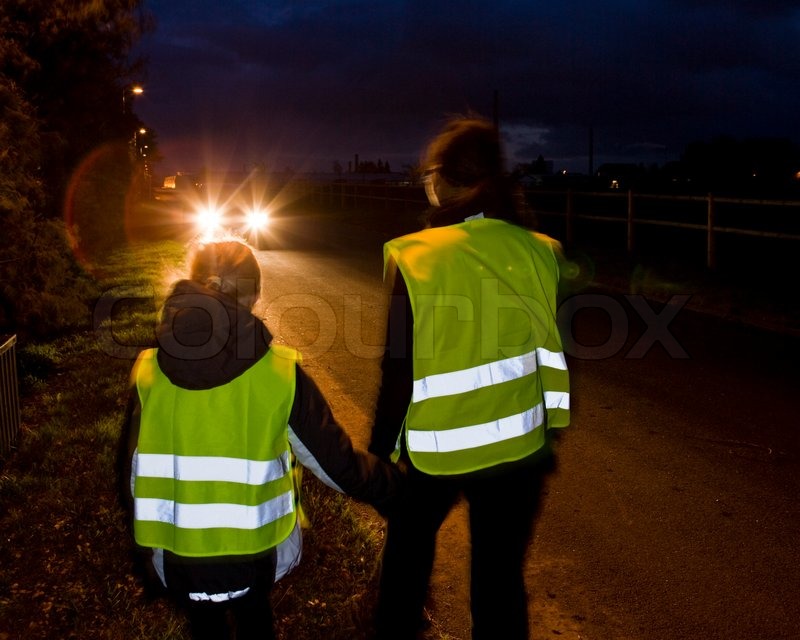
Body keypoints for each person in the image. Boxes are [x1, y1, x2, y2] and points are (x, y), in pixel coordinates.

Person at [118, 239, 403, 640]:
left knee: (204, 626)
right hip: (257, 561)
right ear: (254, 294)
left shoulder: (147, 370)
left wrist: (143, 557)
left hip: (174, 562)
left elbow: (129, 476)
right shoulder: (279, 373)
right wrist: (395, 485)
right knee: (255, 623)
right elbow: (338, 468)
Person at [369, 115, 570, 640]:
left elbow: (398, 372)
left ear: (443, 180)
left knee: (406, 568)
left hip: (437, 450)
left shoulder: (416, 255)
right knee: (500, 583)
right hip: (520, 452)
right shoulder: (540, 250)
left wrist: (379, 456)